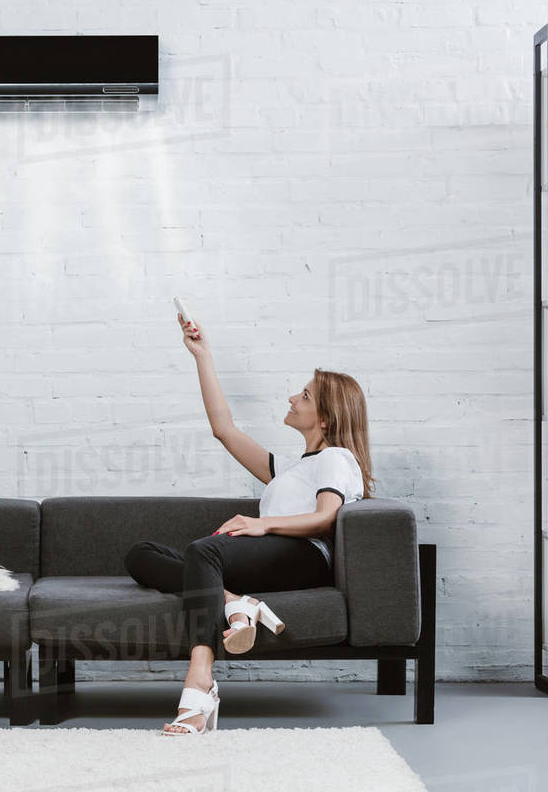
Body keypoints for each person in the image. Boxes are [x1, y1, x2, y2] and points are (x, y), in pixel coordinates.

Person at [124, 313, 375, 735]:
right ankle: (235, 603)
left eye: (306, 396)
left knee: (203, 550)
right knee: (142, 555)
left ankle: (200, 682)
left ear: (326, 420)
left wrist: (264, 525)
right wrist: (202, 355)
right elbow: (224, 429)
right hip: (274, 555)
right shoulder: (291, 469)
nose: (293, 398)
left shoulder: (336, 457)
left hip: (303, 557)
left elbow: (326, 516)